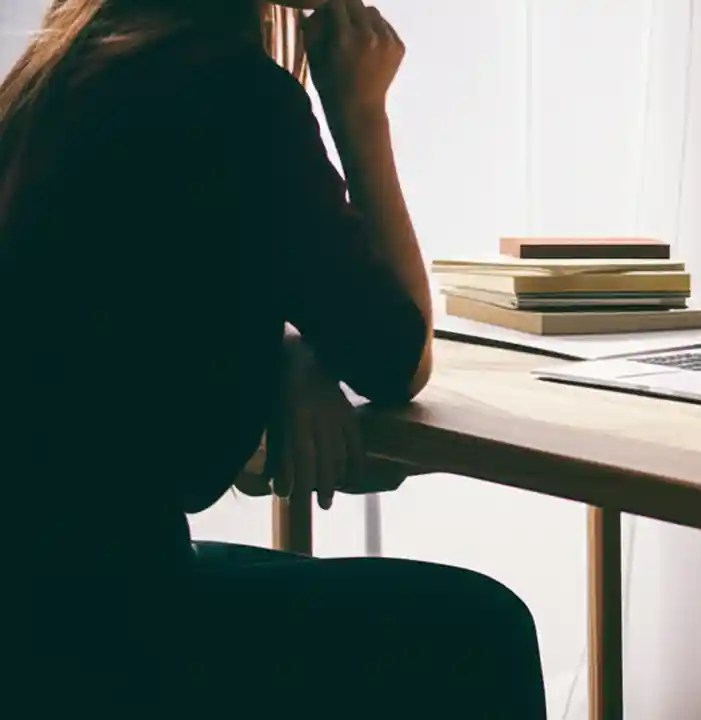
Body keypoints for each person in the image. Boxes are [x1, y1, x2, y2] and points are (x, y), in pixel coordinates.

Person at [1, 0, 545, 715]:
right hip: (107, 627)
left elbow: (149, 311)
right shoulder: (236, 93)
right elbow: (395, 357)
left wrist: (295, 349)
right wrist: (360, 114)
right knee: (486, 630)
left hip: (33, 607)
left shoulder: (68, 63)